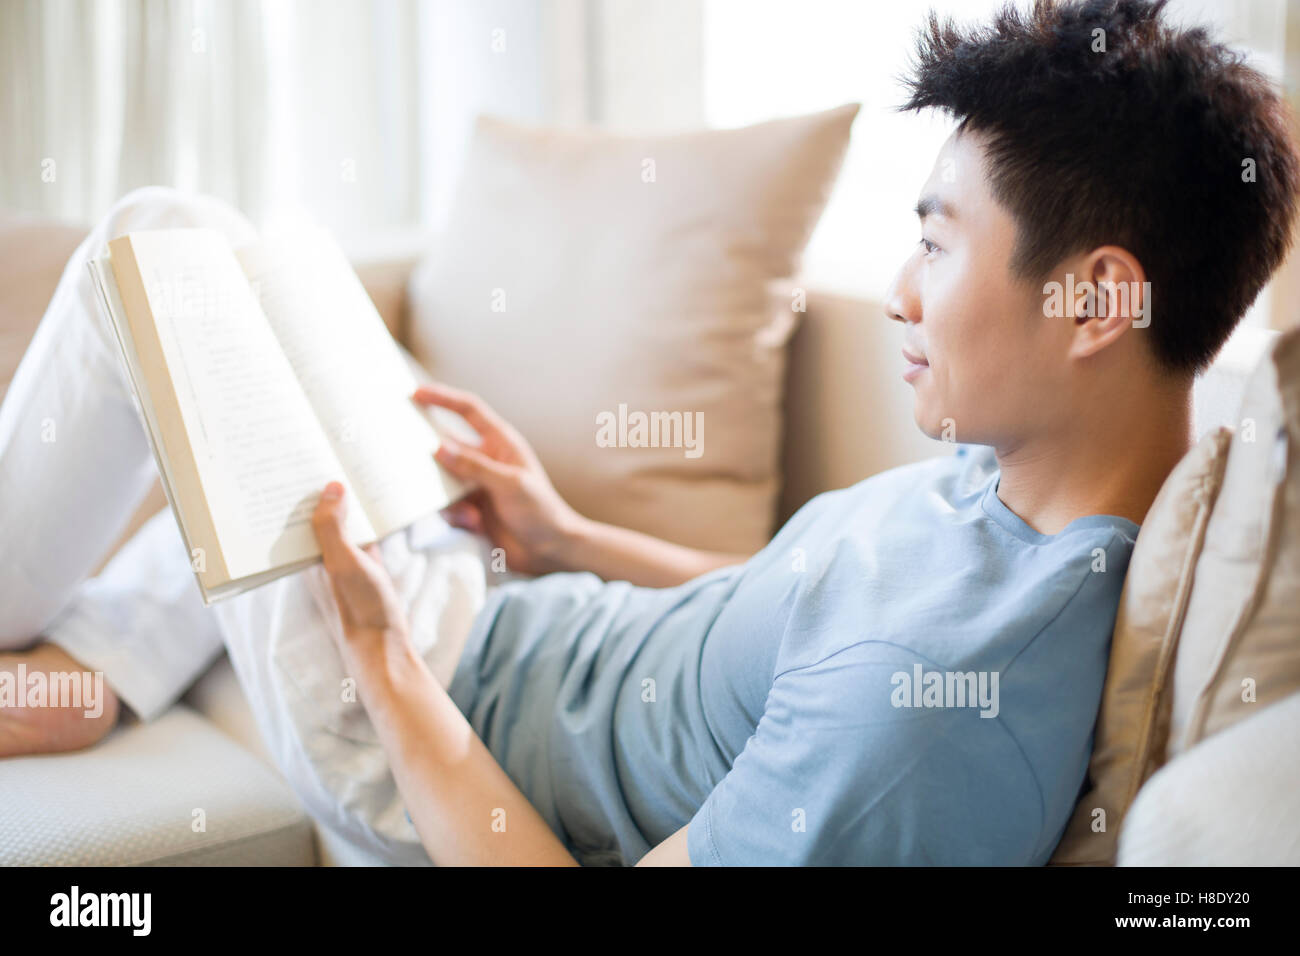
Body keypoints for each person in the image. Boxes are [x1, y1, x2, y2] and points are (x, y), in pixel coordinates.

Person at [2, 0, 1297, 865]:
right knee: (266, 278)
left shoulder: (934, 729)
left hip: (422, 738)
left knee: (158, 246)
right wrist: (564, 534)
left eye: (937, 239)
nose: (901, 289)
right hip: (491, 610)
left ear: (1100, 301)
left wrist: (386, 667)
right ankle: (104, 654)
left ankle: (89, 647)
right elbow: (795, 615)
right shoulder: (1013, 472)